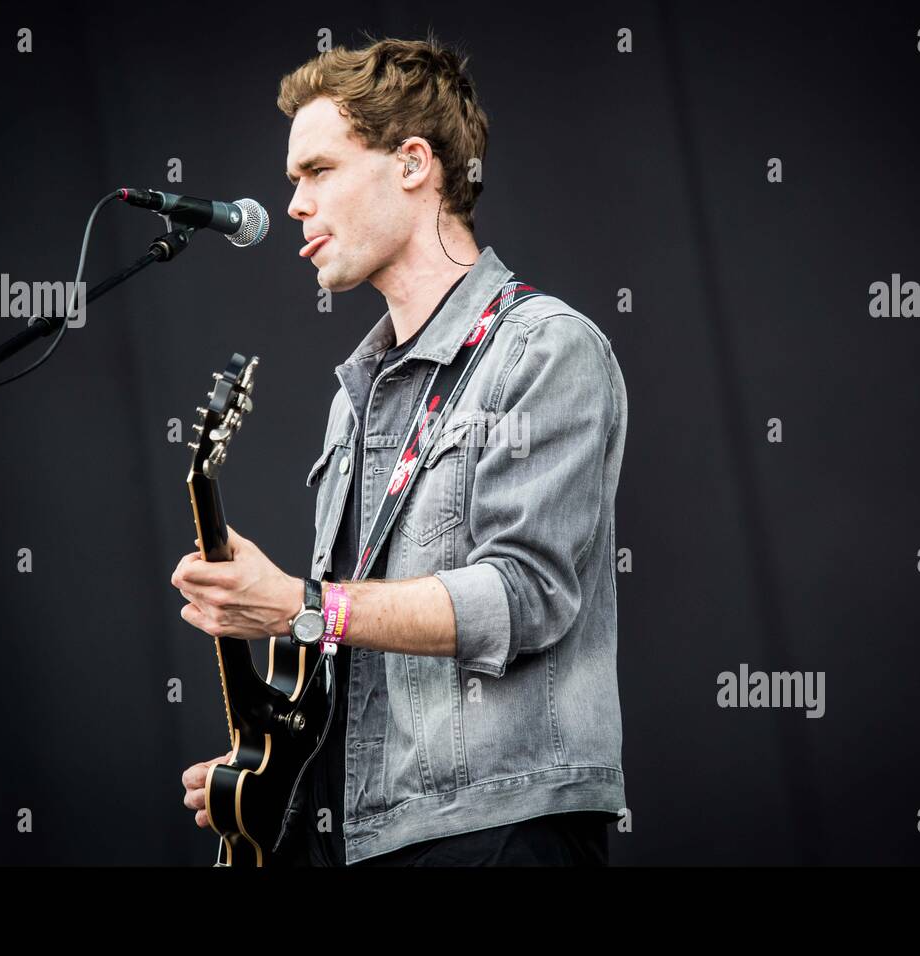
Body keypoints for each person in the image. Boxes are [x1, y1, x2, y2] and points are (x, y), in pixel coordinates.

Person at [175, 34, 628, 866]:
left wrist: (296, 604)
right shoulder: (357, 398)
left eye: (319, 172)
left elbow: (522, 596)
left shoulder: (546, 348)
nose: (295, 205)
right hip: (364, 835)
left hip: (497, 827)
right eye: (292, 181)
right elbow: (355, 669)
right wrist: (275, 777)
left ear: (414, 164)